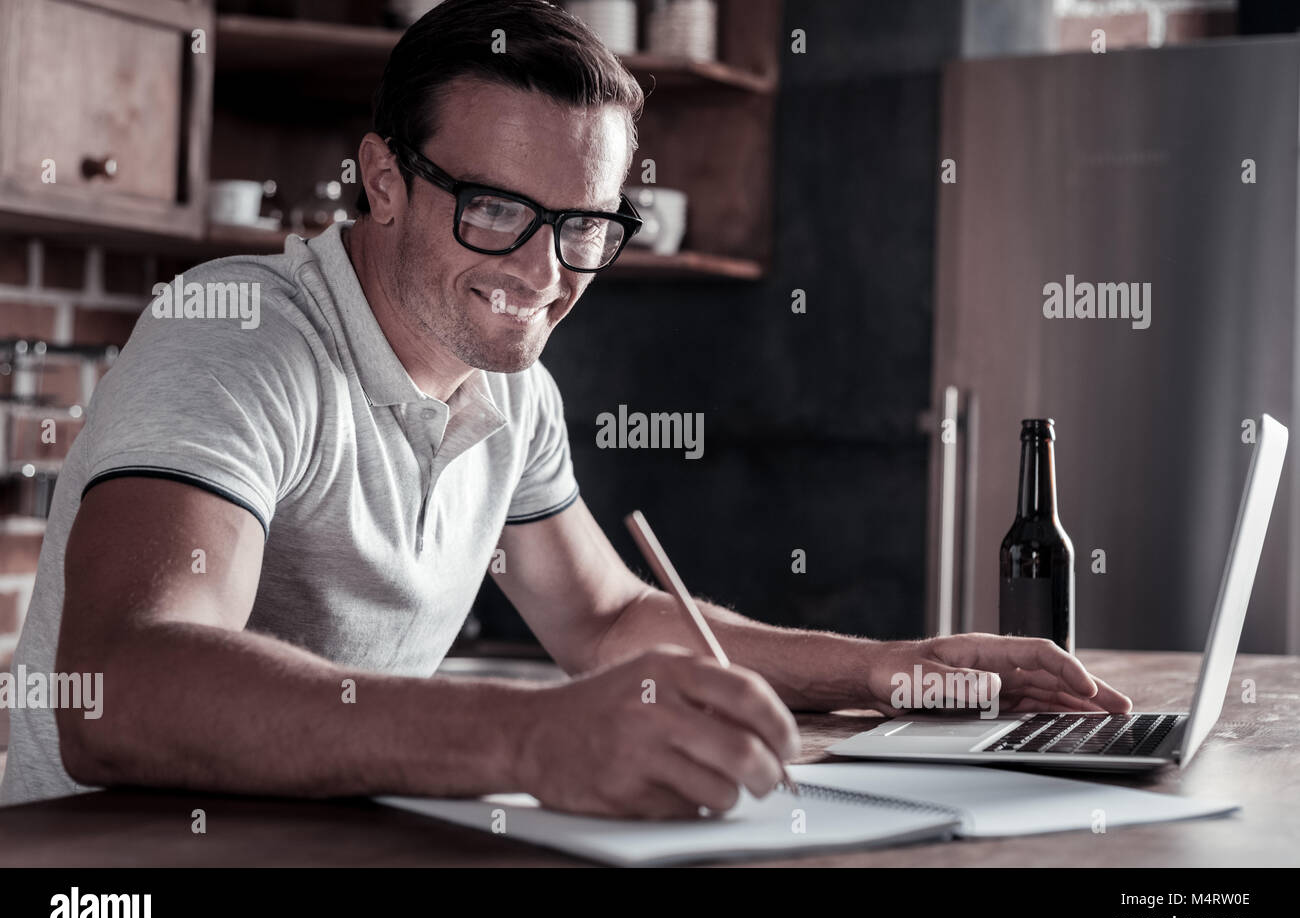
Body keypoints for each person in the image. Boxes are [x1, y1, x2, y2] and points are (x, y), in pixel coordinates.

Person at [0, 0, 1129, 817]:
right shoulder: (238, 332)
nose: (545, 270)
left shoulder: (513, 388)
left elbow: (605, 622)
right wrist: (530, 735)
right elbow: (124, 687)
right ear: (384, 180)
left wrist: (892, 667)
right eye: (496, 208)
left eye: (584, 223)